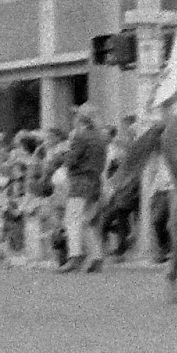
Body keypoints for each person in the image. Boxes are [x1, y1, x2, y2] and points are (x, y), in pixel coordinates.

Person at [59, 108, 107, 272]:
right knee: (86, 221)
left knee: (72, 219)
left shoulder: (80, 136)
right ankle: (96, 257)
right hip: (95, 182)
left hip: (80, 181)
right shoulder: (100, 139)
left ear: (81, 121)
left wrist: (63, 153)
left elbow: (71, 159)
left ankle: (75, 256)